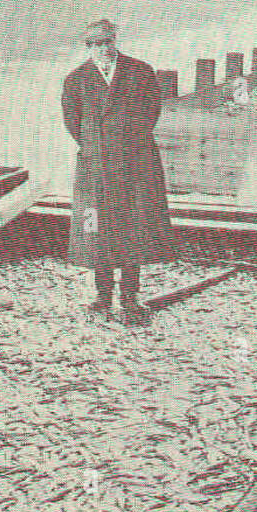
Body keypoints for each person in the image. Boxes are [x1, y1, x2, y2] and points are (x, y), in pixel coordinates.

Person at [60, 19, 175, 325]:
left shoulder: (140, 71)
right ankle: (102, 295)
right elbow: (72, 121)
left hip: (135, 162)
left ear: (115, 40)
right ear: (88, 47)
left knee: (134, 228)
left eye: (108, 41)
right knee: (98, 229)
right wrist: (96, 144)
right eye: (96, 44)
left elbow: (152, 111)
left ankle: (130, 297)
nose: (103, 48)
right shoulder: (76, 79)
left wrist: (129, 139)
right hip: (96, 166)